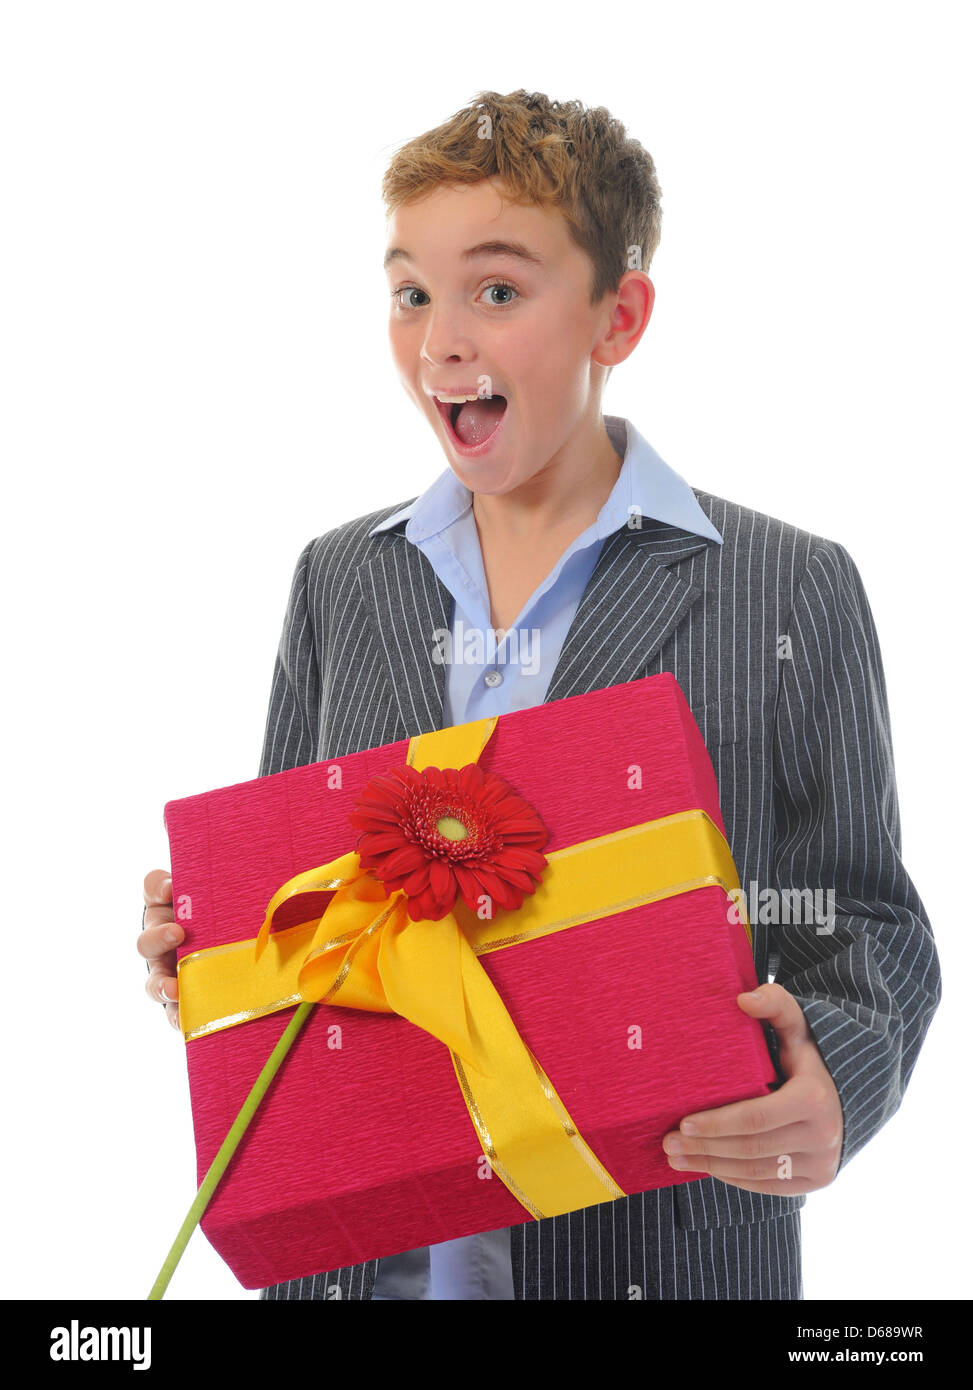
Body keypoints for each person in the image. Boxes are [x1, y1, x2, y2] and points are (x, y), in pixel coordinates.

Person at [140, 89, 941, 1300]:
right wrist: (218, 953)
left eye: (496, 292)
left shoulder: (787, 586)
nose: (439, 342)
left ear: (618, 317)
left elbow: (870, 925)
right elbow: (322, 910)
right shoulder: (339, 579)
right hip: (366, 1262)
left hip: (659, 1251)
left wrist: (831, 1072)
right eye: (411, 291)